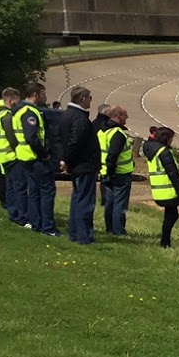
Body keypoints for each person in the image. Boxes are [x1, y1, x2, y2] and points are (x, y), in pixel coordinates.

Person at [13, 82, 58, 235]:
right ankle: (48, 227)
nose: (45, 97)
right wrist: (44, 154)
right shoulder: (29, 112)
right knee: (46, 191)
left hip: (25, 156)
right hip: (35, 157)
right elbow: (31, 136)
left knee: (34, 191)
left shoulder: (19, 110)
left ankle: (36, 223)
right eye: (43, 94)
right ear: (36, 94)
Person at [58, 87, 101, 244]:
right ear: (82, 98)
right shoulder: (79, 118)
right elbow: (75, 141)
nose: (91, 99)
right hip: (84, 165)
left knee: (77, 199)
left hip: (77, 165)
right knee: (85, 201)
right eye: (89, 97)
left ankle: (75, 233)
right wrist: (67, 160)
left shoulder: (66, 115)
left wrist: (66, 160)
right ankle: (84, 236)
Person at [145, 126, 179, 247]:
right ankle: (165, 241)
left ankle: (165, 241)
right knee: (172, 215)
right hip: (168, 190)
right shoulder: (164, 152)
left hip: (158, 190)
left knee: (171, 215)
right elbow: (173, 173)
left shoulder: (152, 150)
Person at [98, 105, 134, 237]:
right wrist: (112, 171)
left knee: (109, 203)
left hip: (105, 172)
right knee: (119, 204)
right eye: (125, 115)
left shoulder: (103, 131)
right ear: (118, 116)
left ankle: (109, 228)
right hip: (119, 173)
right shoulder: (117, 134)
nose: (127, 118)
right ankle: (118, 231)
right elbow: (113, 155)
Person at [0, 88, 20, 214]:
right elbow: (11, 137)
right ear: (11, 101)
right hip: (9, 153)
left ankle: (7, 204)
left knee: (4, 180)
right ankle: (10, 206)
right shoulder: (6, 116)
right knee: (10, 183)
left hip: (0, 153)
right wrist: (19, 149)